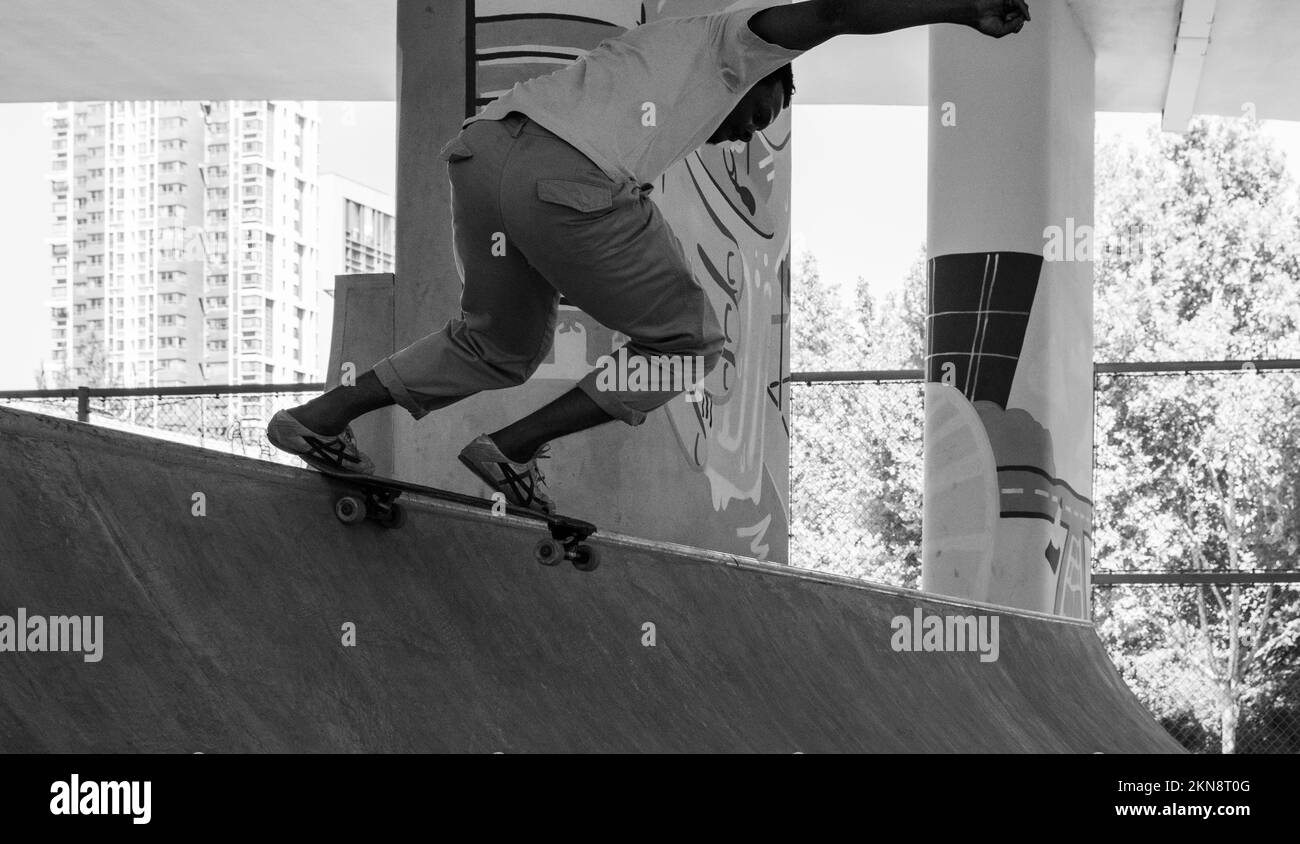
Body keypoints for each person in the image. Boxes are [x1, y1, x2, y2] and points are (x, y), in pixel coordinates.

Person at [269, 0, 1031, 514]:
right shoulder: (738, 38)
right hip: (566, 172)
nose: (741, 137)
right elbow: (834, 10)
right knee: (689, 344)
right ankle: (508, 446)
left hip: (483, 152)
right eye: (761, 116)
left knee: (498, 345)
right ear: (768, 73)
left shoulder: (653, 55)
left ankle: (316, 417)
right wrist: (960, 8)